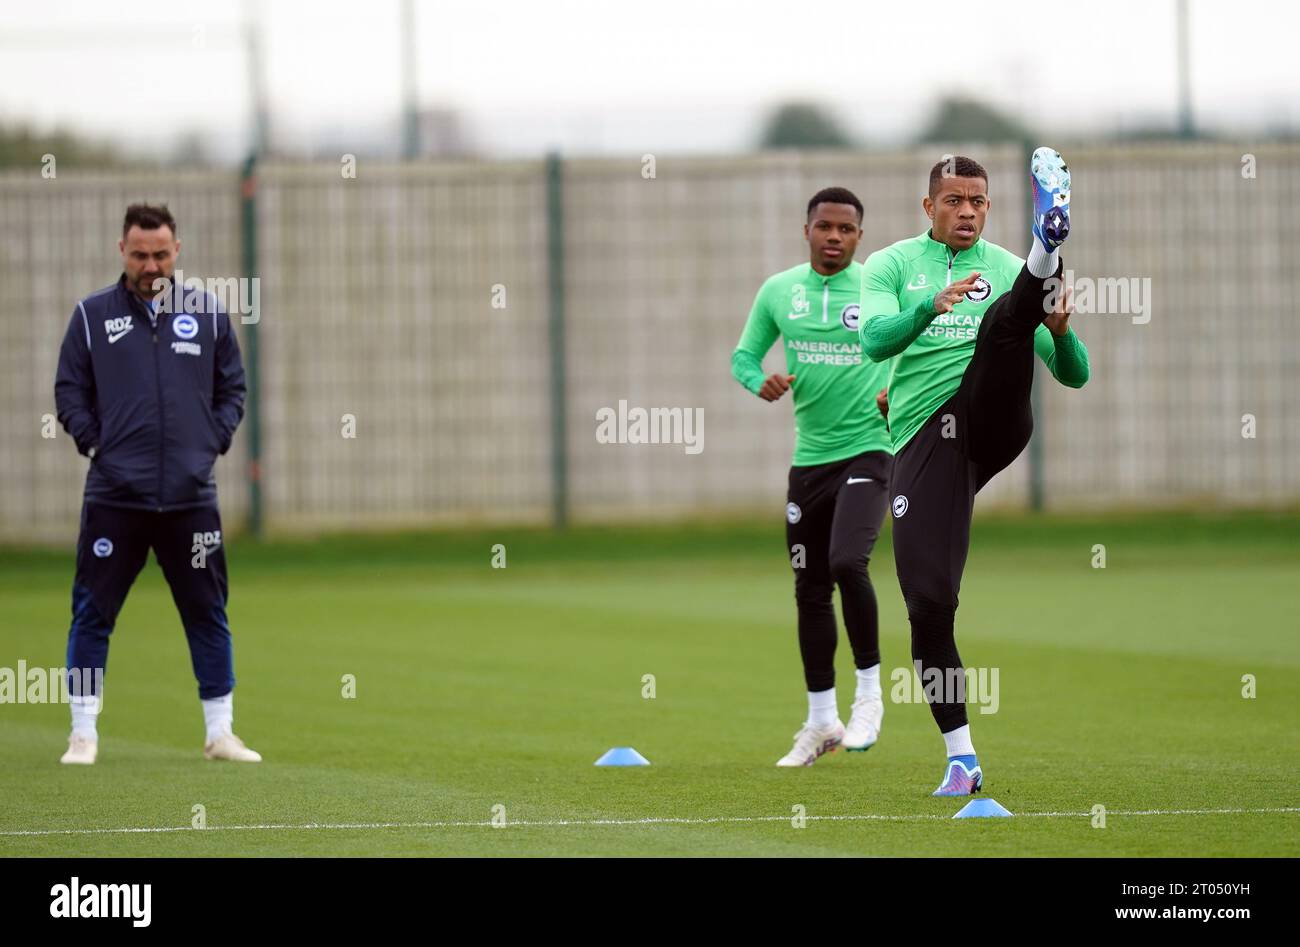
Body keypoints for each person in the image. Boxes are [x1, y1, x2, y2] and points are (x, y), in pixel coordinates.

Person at [859, 149, 1090, 795]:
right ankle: (962, 761)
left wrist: (1065, 335)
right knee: (929, 607)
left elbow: (1076, 374)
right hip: (928, 443)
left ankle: (1051, 249)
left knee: (1004, 325)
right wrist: (930, 305)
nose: (967, 212)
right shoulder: (893, 264)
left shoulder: (1003, 268)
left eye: (979, 201)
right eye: (954, 200)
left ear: (990, 207)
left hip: (992, 420)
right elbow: (874, 340)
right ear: (928, 206)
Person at [54, 203, 260, 765]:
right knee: (93, 612)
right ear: (122, 250)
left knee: (206, 610)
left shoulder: (208, 314)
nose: (151, 265)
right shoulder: (91, 316)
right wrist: (97, 445)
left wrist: (208, 444)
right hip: (115, 498)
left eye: (161, 254)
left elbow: (232, 390)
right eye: (141, 254)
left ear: (178, 251)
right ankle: (83, 734)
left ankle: (221, 733)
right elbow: (69, 390)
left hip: (191, 499)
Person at [731, 187, 894, 767]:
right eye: (825, 226)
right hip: (810, 462)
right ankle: (822, 721)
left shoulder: (877, 291)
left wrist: (893, 393)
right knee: (809, 588)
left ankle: (870, 695)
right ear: (807, 230)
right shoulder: (780, 291)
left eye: (846, 229)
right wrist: (760, 382)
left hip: (870, 452)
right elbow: (742, 358)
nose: (834, 236)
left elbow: (911, 348)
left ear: (859, 237)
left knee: (849, 562)